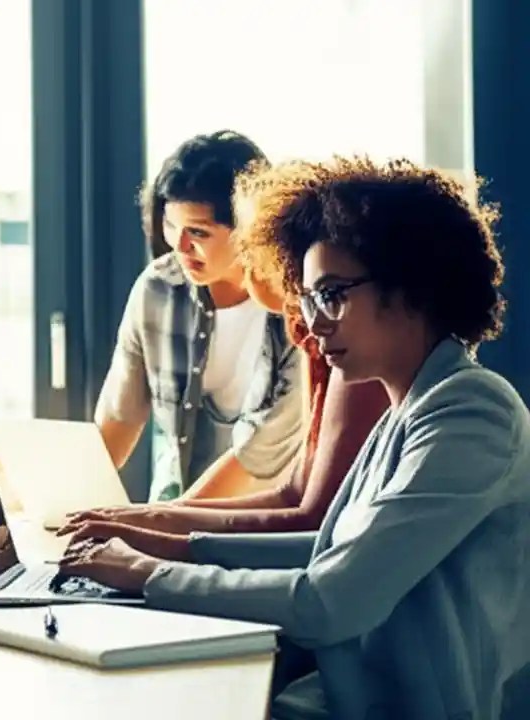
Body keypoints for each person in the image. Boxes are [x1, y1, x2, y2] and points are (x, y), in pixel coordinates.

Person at [61, 156, 530, 719]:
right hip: (349, 693)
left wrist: (150, 573)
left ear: (413, 285)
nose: (313, 322)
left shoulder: (472, 415)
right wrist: (170, 546)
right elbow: (332, 551)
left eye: (332, 293)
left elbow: (329, 601)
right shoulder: (406, 409)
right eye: (308, 298)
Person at [59, 208, 391, 560]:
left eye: (250, 252)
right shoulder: (309, 338)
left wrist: (150, 545)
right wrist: (143, 518)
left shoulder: (349, 359)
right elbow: (293, 494)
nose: (242, 270)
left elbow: (314, 519)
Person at [97, 130, 303, 503]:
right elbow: (120, 417)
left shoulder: (298, 305)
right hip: (174, 507)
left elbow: (259, 455)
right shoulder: (158, 289)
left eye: (198, 232)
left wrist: (164, 524)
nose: (180, 246)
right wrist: (69, 509)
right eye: (171, 226)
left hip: (273, 519)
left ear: (250, 227)